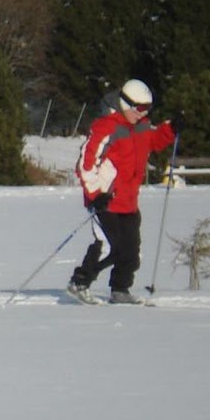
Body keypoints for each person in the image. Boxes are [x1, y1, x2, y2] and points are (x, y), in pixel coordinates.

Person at [67, 78, 178, 305]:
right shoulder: (107, 127)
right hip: (105, 199)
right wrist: (96, 193)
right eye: (139, 108)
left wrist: (171, 129)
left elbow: (153, 142)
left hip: (128, 199)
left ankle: (120, 289)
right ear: (126, 104)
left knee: (130, 249)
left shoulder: (142, 125)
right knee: (110, 246)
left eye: (148, 108)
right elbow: (86, 164)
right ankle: (79, 282)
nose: (143, 113)